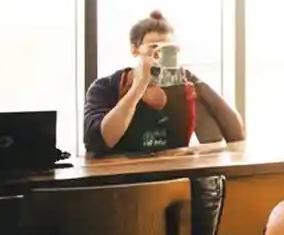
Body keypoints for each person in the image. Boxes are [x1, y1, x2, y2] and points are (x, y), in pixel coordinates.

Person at [83, 11, 244, 156]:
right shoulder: (106, 87)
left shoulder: (185, 86)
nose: (159, 55)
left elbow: (236, 136)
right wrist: (138, 88)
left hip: (173, 179)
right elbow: (97, 143)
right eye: (153, 47)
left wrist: (199, 84)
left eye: (168, 49)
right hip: (125, 180)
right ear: (135, 50)